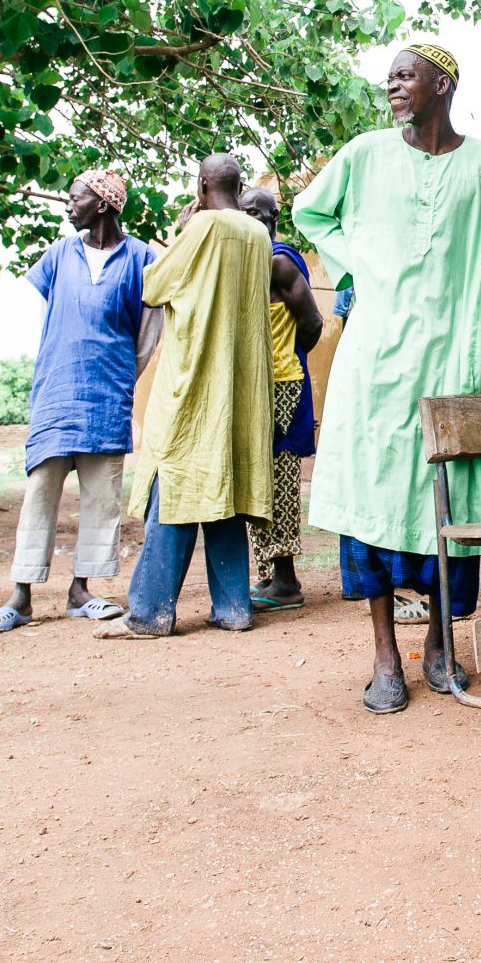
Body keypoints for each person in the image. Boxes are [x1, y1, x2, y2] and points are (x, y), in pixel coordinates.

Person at [293, 43, 481, 714]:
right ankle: (386, 657)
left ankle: (442, 644)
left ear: (442, 84)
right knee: (374, 489)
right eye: (388, 77)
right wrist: (357, 265)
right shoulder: (365, 153)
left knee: (451, 492)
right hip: (376, 356)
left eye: (405, 75)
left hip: (453, 351)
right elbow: (310, 212)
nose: (391, 86)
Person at [97, 155, 277, 639]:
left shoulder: (202, 228)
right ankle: (233, 608)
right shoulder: (258, 234)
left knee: (173, 487)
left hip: (194, 385)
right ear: (239, 187)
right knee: (224, 491)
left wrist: (184, 227)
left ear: (201, 185)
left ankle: (149, 612)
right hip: (240, 389)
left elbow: (154, 287)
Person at [0, 170, 156, 634]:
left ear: (103, 204)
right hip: (56, 392)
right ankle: (21, 596)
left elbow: (147, 336)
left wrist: (119, 376)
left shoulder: (142, 259)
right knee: (41, 490)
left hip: (108, 396)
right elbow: (48, 323)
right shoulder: (58, 254)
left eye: (75, 198)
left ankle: (81, 591)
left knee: (102, 496)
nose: (68, 205)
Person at [239, 184, 326, 611]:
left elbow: (312, 323)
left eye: (253, 213)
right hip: (257, 383)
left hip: (282, 382)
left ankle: (287, 581)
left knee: (280, 476)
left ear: (271, 218)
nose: (245, 220)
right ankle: (269, 576)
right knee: (258, 477)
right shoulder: (247, 260)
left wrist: (285, 355)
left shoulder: (278, 261)